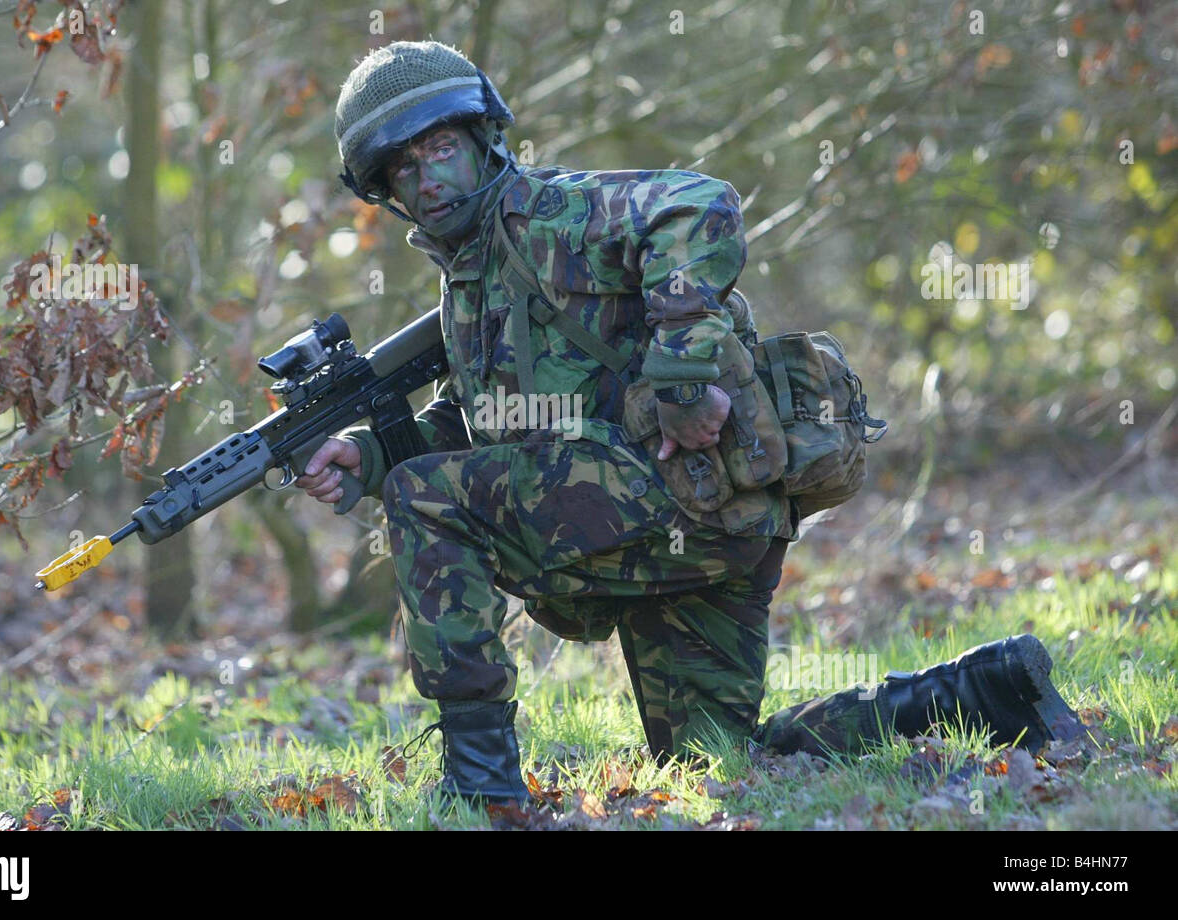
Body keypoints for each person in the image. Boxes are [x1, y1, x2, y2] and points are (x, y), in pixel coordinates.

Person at [296, 40, 1083, 809]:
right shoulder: (469, 284)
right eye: (403, 167)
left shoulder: (553, 214)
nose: (427, 178)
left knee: (424, 495)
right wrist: (362, 457)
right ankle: (987, 689)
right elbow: (489, 436)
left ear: (482, 138)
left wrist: (682, 372)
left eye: (439, 149)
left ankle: (479, 787)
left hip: (675, 493)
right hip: (690, 523)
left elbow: (701, 202)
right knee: (716, 756)